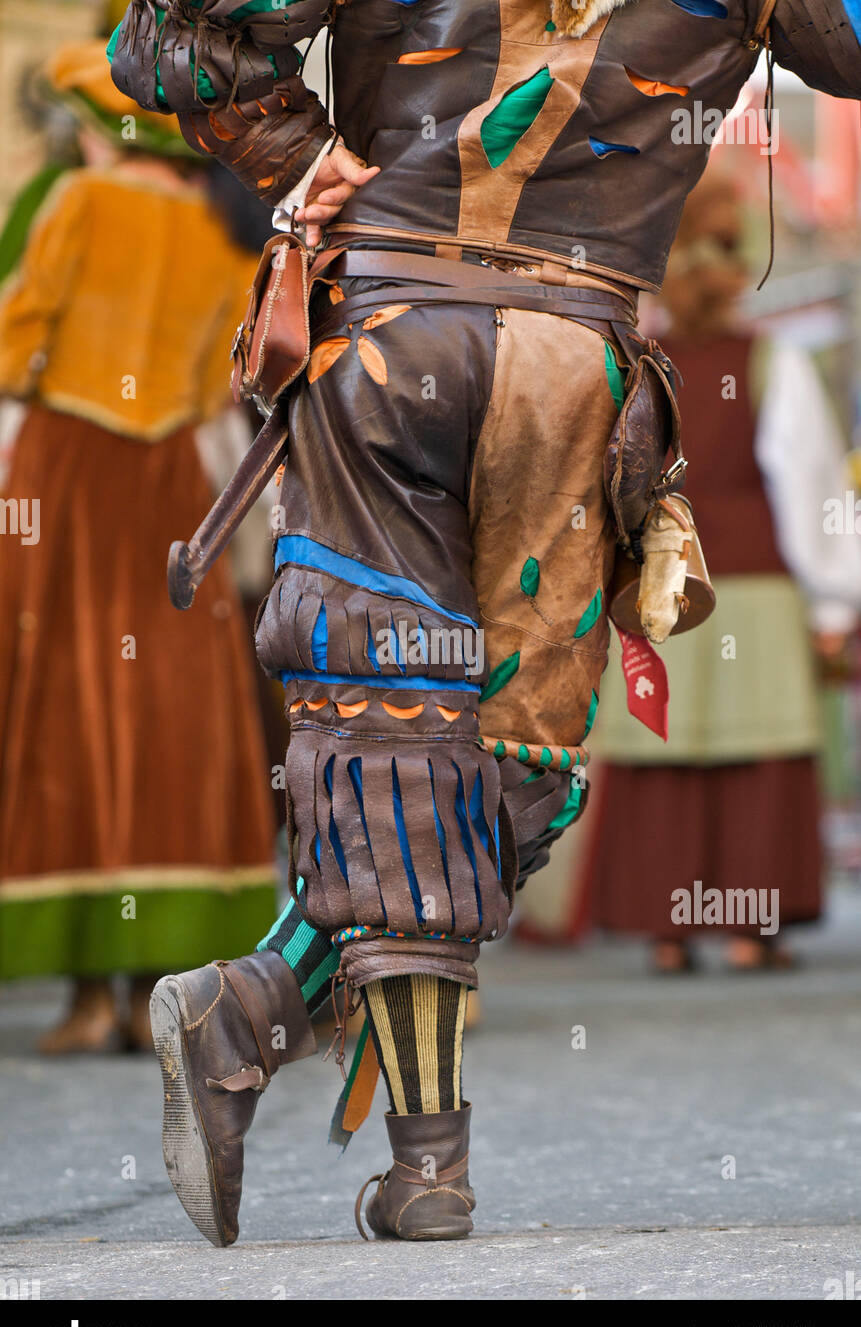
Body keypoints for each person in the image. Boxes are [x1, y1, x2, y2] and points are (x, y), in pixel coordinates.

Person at [108, 0, 861, 1243]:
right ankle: (422, 1169)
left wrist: (296, 155)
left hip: (420, 348)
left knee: (453, 761)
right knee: (471, 767)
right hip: (546, 368)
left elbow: (165, 42)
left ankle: (253, 1020)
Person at [0, 41, 276, 1053]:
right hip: (173, 486)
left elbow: (13, 343)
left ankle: (84, 996)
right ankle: (160, 986)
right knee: (174, 710)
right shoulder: (226, 234)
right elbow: (216, 390)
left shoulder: (82, 204)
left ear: (93, 130)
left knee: (59, 701)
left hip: (65, 476)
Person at [589, 171, 861, 972]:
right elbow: (806, 486)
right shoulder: (768, 360)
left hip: (657, 589)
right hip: (756, 589)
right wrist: (835, 602)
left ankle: (667, 935)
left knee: (660, 764)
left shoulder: (633, 365)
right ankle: (749, 934)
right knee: (761, 762)